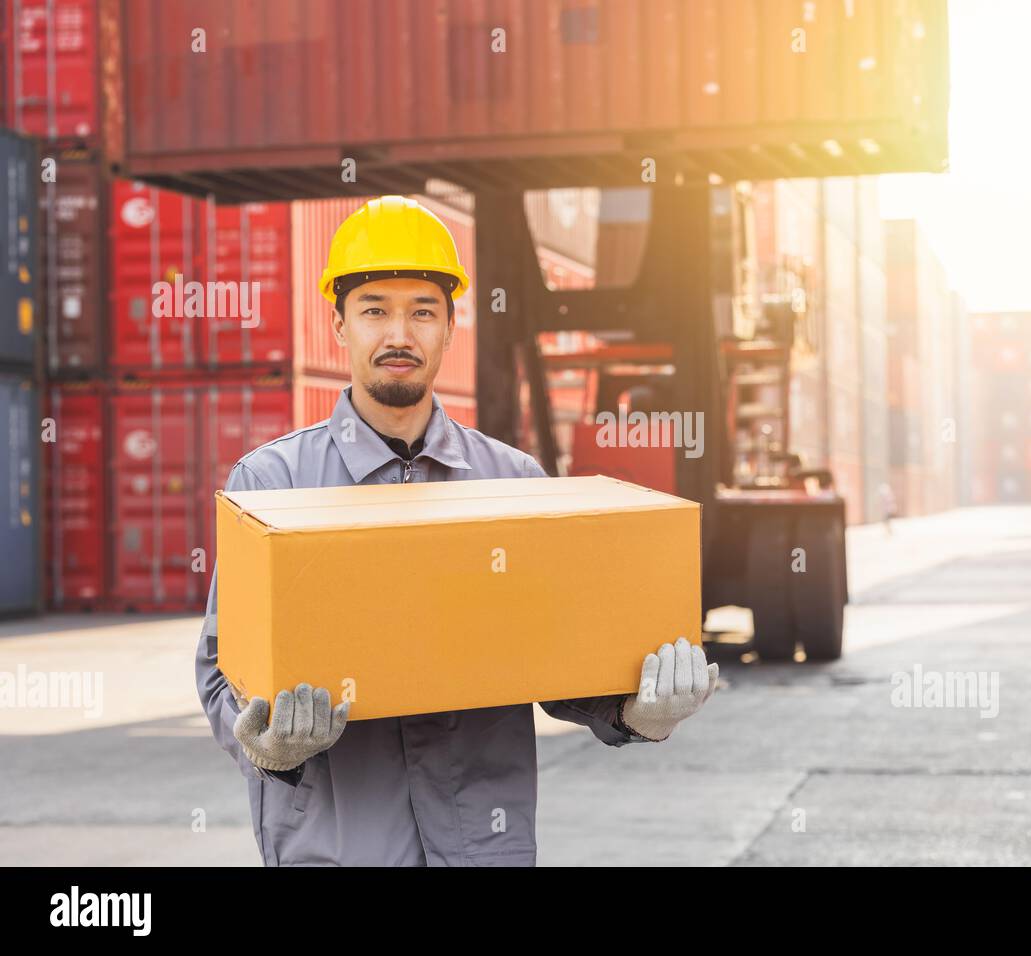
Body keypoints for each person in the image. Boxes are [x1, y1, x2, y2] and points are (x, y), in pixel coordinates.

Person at [195, 196, 718, 866]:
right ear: (340, 326)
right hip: (335, 847)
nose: (399, 334)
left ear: (449, 328)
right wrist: (265, 749)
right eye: (374, 309)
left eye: (422, 311)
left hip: (481, 848)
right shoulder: (271, 486)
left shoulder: (514, 480)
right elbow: (218, 671)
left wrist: (636, 713)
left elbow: (560, 661)